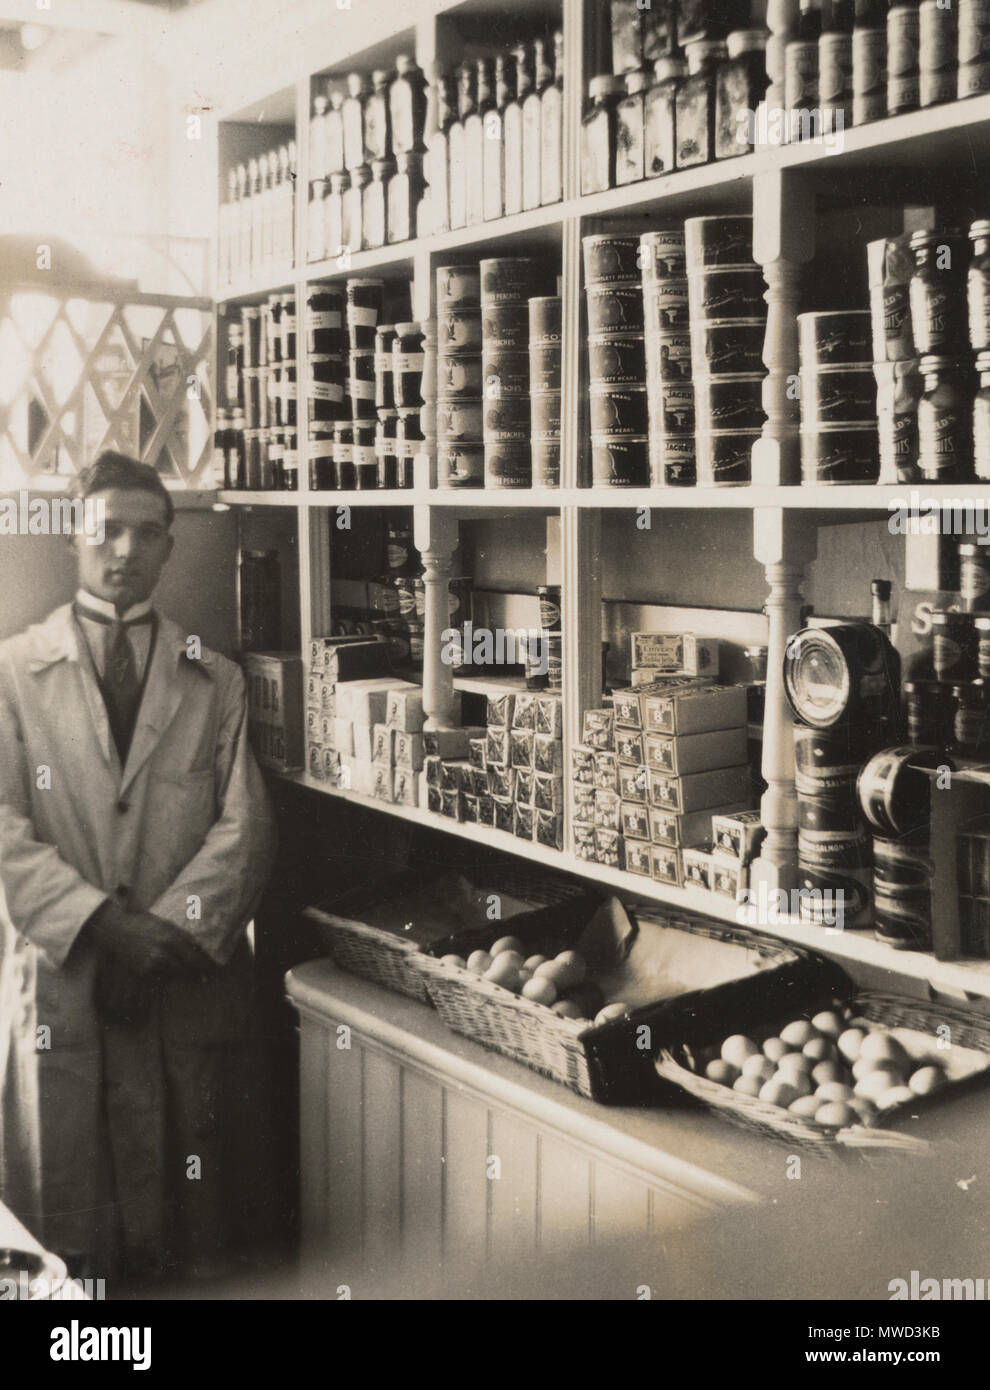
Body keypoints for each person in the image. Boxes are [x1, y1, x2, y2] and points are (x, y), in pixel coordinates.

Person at [0, 452, 277, 1284]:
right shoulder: (14, 672)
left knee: (181, 1225)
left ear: (169, 549)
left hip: (176, 980)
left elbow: (246, 831)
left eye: (147, 533)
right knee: (69, 1237)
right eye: (108, 528)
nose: (125, 550)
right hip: (66, 976)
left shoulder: (213, 678)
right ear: (73, 538)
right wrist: (106, 927)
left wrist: (162, 937)